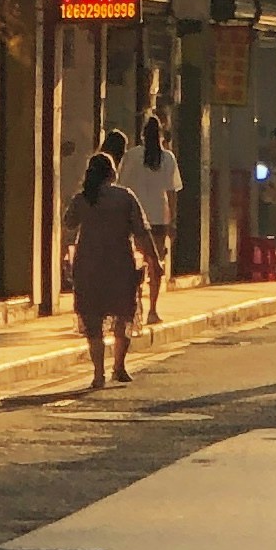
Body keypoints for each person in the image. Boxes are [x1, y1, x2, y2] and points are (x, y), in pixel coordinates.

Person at [61, 151, 162, 389]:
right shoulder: (125, 197)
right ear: (112, 172)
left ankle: (98, 373)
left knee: (92, 319)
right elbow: (142, 232)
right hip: (119, 263)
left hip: (89, 264)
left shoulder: (83, 198)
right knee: (122, 315)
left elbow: (69, 223)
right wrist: (154, 260)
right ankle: (119, 366)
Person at [118, 112, 179, 327]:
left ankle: (135, 306)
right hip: (158, 217)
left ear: (143, 135)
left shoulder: (132, 156)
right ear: (161, 135)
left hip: (134, 217)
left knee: (134, 263)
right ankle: (152, 309)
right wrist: (172, 220)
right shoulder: (168, 158)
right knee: (155, 265)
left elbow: (121, 186)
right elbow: (172, 192)